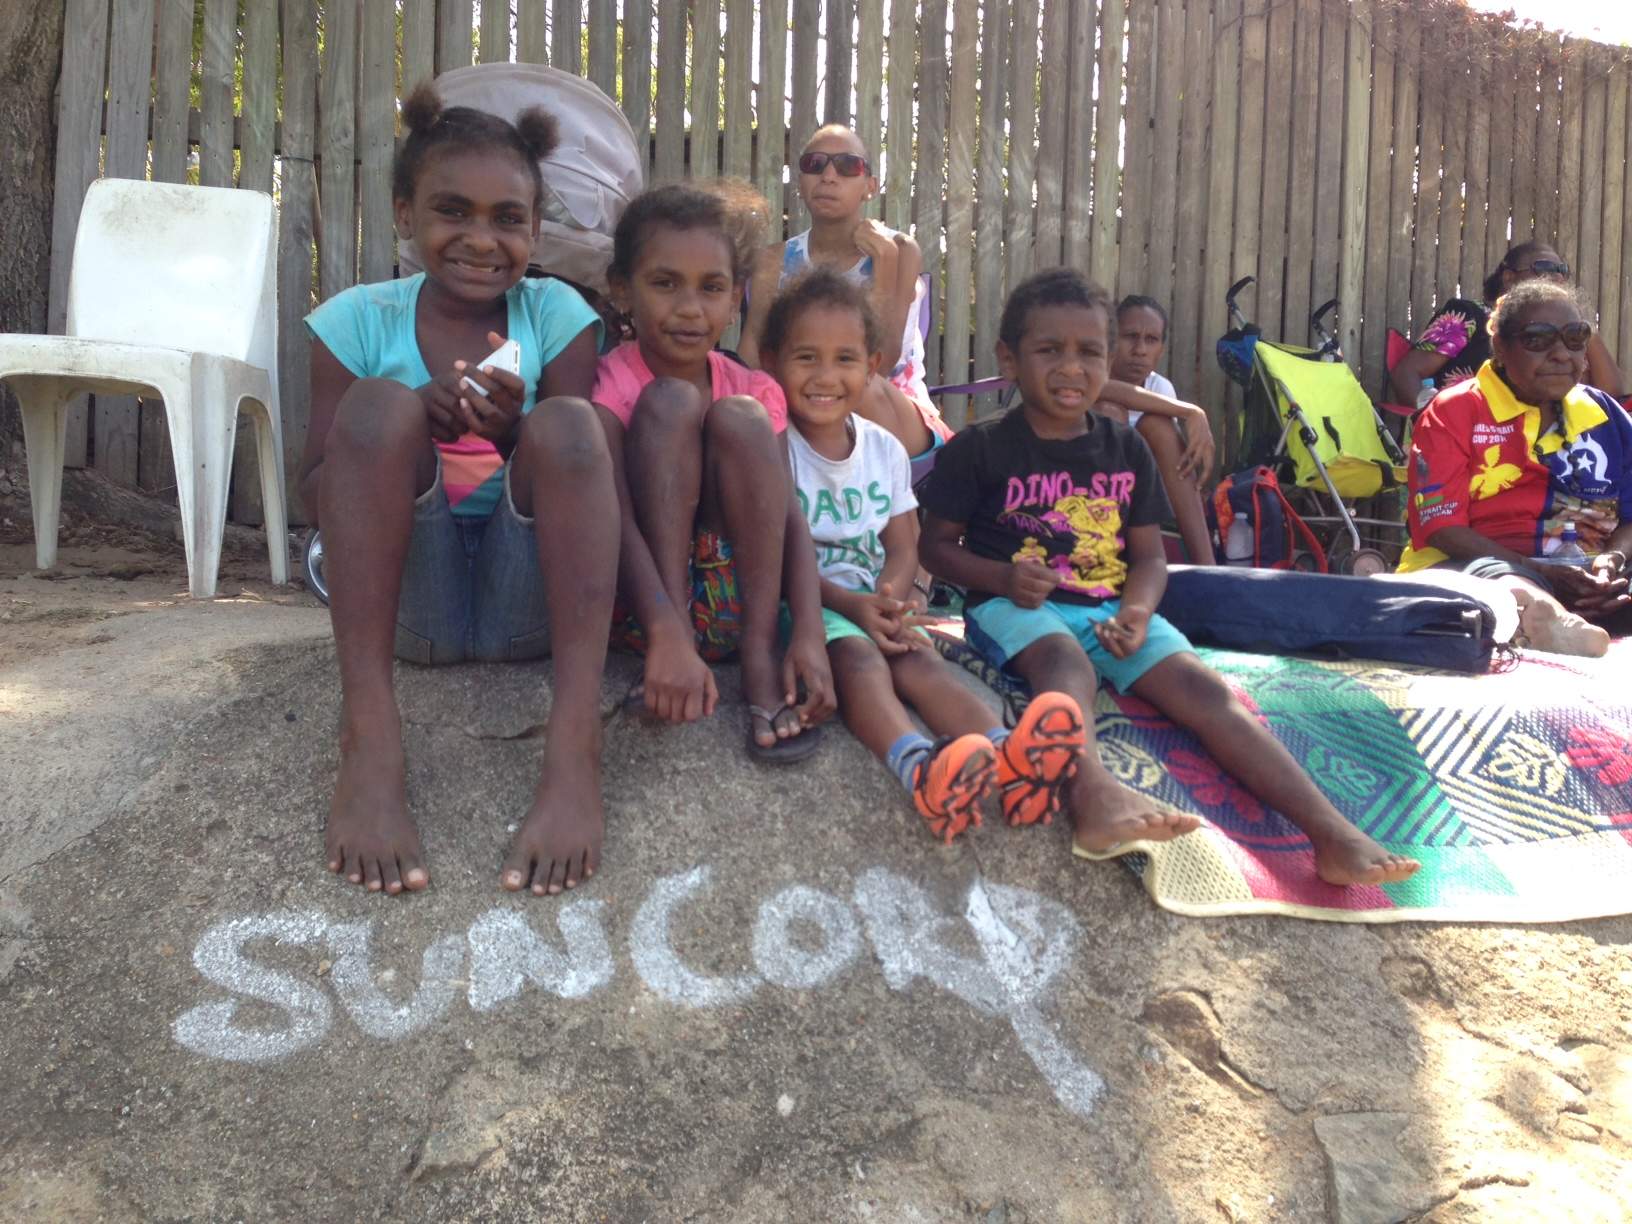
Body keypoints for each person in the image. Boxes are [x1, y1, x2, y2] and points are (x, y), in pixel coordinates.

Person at [919, 268, 1422, 887]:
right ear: (1009, 358)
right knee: (1065, 666)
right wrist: (1000, 575)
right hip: (1013, 606)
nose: (1072, 369)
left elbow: (1150, 558)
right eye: (1049, 351)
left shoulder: (1125, 449)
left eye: (1090, 353)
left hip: (1110, 608)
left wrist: (1136, 610)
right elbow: (937, 548)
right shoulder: (981, 448)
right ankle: (1095, 797)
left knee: (1207, 693)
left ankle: (1330, 832)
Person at [298, 84, 618, 896]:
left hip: (527, 604)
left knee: (572, 426)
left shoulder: (558, 315)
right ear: (405, 215)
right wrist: (415, 423)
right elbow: (312, 492)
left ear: (536, 227)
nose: (482, 239)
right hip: (413, 606)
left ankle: (574, 746)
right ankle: (370, 738)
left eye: (508, 218)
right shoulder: (354, 321)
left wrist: (512, 431)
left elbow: (579, 468)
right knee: (375, 408)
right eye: (453, 211)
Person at [761, 268, 1088, 840]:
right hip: (807, 605)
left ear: (872, 364)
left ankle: (1011, 761)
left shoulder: (883, 448)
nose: (825, 377)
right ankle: (917, 768)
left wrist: (890, 597)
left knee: (920, 660)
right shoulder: (772, 449)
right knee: (863, 664)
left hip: (870, 598)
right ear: (772, 361)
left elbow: (903, 543)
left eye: (844, 359)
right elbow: (778, 564)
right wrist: (857, 609)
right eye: (806, 358)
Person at [593, 182, 835, 760]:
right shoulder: (608, 382)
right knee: (670, 402)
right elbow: (613, 516)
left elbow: (788, 515)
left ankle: (756, 657)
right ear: (623, 290)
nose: (690, 309)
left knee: (743, 416)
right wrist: (666, 631)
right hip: (639, 608)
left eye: (712, 289)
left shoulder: (753, 387)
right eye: (664, 283)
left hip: (736, 603)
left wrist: (806, 628)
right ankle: (674, 636)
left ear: (736, 301)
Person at [1399, 278, 1632, 654]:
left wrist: (1612, 561)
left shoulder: (1605, 414)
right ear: (1500, 348)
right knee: (1504, 585)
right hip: (1482, 564)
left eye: (1575, 337)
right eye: (1538, 339)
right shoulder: (1454, 410)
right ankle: (1554, 622)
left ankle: (1567, 617)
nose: (1561, 354)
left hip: (1590, 575)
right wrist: (1539, 570)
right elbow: (1442, 528)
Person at [740, 124, 952, 461]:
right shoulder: (774, 260)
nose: (828, 175)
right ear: (800, 182)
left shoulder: (899, 250)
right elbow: (751, 353)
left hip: (892, 407)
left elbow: (882, 362)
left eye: (847, 166)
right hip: (799, 400)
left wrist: (884, 262)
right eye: (815, 164)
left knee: (857, 386)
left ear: (870, 186)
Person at [1391, 239, 1626, 403]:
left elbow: (1610, 395)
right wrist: (1431, 425)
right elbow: (1407, 372)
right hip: (1464, 439)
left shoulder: (1565, 334)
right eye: (1543, 267)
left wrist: (1579, 323)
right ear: (1509, 276)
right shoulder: (1469, 314)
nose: (1555, 276)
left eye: (1561, 270)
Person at [1093, 295, 1217, 563]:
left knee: (1158, 425)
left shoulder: (1160, 388)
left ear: (1161, 348)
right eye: (1130, 337)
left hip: (1146, 493)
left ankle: (1208, 567)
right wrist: (1190, 411)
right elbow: (1105, 389)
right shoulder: (1090, 375)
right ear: (1110, 340)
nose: (1140, 350)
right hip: (1086, 492)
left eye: (1151, 340)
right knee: (1110, 412)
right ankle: (1104, 556)